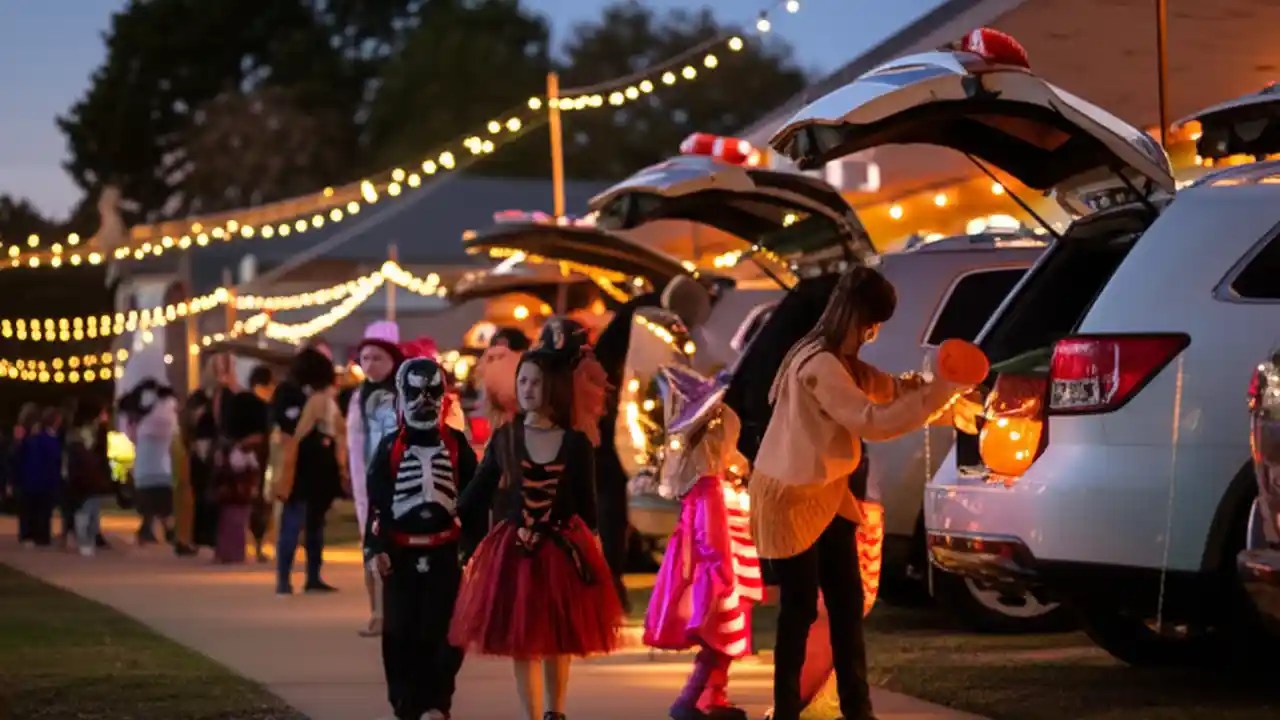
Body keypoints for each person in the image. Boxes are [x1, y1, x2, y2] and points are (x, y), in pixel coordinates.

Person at [749, 266, 984, 720]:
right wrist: (940, 396)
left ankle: (858, 708)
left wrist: (946, 400)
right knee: (798, 609)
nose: (873, 334)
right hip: (790, 494)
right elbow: (872, 421)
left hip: (828, 489)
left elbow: (891, 389)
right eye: (872, 325)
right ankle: (785, 712)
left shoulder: (838, 360)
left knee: (846, 601)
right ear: (858, 318)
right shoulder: (819, 364)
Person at [450, 342, 623, 720]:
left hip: (562, 551)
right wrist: (447, 515)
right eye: (523, 380)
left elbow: (586, 504)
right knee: (522, 639)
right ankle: (531, 713)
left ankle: (554, 712)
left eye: (537, 382)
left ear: (555, 388)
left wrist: (596, 553)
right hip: (514, 552)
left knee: (558, 638)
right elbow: (476, 494)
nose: (527, 388)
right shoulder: (505, 438)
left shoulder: (575, 443)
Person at [364, 356, 476, 720]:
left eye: (432, 392)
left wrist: (476, 546)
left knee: (446, 631)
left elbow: (476, 500)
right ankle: (407, 705)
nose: (423, 401)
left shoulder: (458, 446)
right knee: (399, 632)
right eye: (414, 392)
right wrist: (376, 548)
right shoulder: (390, 448)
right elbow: (377, 504)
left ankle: (437, 702)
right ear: (400, 394)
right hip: (401, 554)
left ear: (444, 395)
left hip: (445, 553)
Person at [644, 374, 761, 720]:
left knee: (722, 643)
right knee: (716, 641)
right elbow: (712, 536)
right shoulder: (708, 486)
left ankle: (715, 698)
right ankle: (689, 699)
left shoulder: (708, 481)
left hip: (715, 572)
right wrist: (724, 574)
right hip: (716, 577)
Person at [273, 347, 348, 595]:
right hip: (318, 464)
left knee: (296, 521)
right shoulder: (323, 397)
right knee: (311, 523)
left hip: (302, 465)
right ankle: (310, 575)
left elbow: (283, 425)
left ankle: (287, 578)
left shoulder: (287, 393)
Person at [347, 321, 405, 637]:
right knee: (370, 549)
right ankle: (376, 612)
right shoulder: (358, 397)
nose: (370, 364)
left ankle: (395, 613)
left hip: (397, 483)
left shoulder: (402, 394)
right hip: (366, 485)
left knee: (395, 550)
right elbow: (354, 443)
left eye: (377, 358)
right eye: (365, 358)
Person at [184, 352, 237, 555]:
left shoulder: (231, 395)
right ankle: (199, 538)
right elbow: (190, 422)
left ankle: (219, 538)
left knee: (220, 494)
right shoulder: (199, 397)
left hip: (222, 449)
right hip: (202, 449)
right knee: (201, 493)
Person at [213, 384, 271, 564]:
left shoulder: (227, 445)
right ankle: (253, 547)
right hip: (248, 483)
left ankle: (226, 550)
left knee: (229, 513)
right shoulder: (256, 446)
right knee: (251, 509)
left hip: (231, 488)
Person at [120, 379, 180, 546]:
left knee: (149, 505)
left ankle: (148, 532)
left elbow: (133, 438)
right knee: (163, 505)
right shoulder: (164, 415)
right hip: (161, 469)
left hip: (144, 470)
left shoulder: (140, 421)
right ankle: (167, 533)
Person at [65, 399, 114, 557]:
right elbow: (94, 453)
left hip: (91, 476)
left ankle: (89, 538)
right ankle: (83, 540)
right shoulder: (82, 434)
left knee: (92, 509)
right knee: (85, 510)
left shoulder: (91, 432)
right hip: (85, 476)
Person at [16, 407, 63, 547]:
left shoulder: (34, 439)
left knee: (34, 509)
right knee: (40, 509)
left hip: (32, 479)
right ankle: (39, 536)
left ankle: (33, 535)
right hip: (41, 479)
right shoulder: (47, 439)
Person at [245, 365, 276, 562]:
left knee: (254, 503)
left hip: (247, 461)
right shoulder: (265, 407)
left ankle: (253, 544)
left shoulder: (244, 402)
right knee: (262, 503)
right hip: (263, 460)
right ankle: (257, 544)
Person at [11, 403, 38, 539]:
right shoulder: (26, 432)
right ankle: (27, 532)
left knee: (25, 506)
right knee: (28, 505)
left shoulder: (23, 431)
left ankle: (26, 532)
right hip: (26, 471)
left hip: (22, 472)